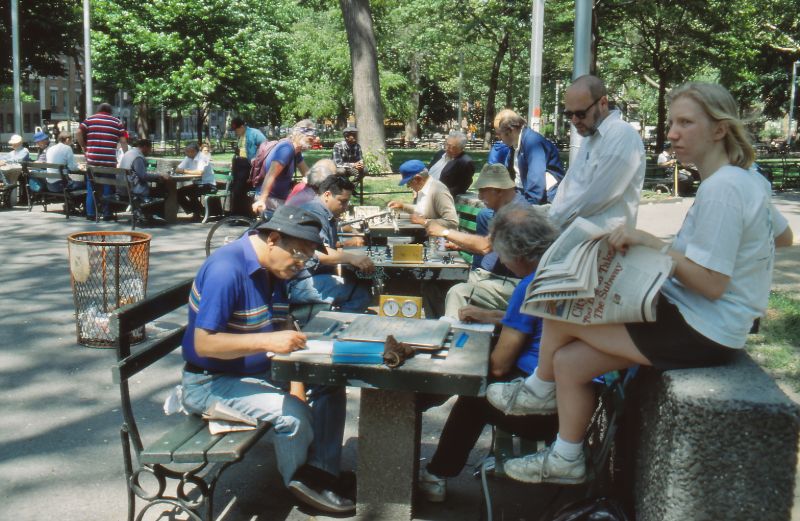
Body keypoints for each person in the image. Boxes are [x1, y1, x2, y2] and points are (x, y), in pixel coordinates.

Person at [485, 82, 794, 486]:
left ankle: (538, 390)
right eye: (672, 123)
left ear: (719, 130)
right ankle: (566, 456)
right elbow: (783, 237)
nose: (673, 134)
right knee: (569, 362)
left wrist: (654, 244)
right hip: (705, 321)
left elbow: (713, 284)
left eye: (686, 123)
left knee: (558, 299)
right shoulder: (743, 179)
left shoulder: (723, 189)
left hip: (701, 326)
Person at [178, 205, 354, 514]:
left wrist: (296, 384)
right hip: (208, 381)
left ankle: (322, 472)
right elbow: (203, 344)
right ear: (273, 238)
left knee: (330, 382)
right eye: (299, 255)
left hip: (255, 369)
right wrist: (268, 341)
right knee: (293, 418)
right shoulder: (227, 269)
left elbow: (284, 329)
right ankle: (302, 486)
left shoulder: (275, 269)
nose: (301, 266)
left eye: (307, 258)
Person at [419, 204, 559, 502]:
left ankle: (438, 472)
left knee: (472, 394)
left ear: (517, 255)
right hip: (568, 401)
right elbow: (531, 319)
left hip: (541, 409)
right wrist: (491, 316)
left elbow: (498, 366)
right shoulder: (556, 271)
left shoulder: (528, 285)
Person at [426, 163, 531, 318]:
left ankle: (456, 338)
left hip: (511, 283)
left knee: (458, 292)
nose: (480, 197)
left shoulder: (516, 214)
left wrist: (445, 231)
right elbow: (494, 246)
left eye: (482, 191)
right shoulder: (504, 209)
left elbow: (485, 246)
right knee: (432, 286)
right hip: (492, 277)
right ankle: (441, 334)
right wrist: (460, 245)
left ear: (498, 191)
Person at [548, 75, 646, 232]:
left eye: (580, 114)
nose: (574, 121)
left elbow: (596, 199)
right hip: (576, 236)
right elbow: (570, 188)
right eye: (568, 114)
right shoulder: (591, 136)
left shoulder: (620, 134)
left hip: (601, 246)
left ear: (603, 103)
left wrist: (551, 224)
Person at [289, 176, 374, 313]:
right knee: (361, 294)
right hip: (298, 282)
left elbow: (336, 229)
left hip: (306, 277)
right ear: (327, 195)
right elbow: (320, 253)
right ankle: (339, 329)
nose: (345, 207)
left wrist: (352, 231)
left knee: (355, 282)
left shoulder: (320, 210)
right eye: (342, 202)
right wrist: (353, 258)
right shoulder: (314, 212)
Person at [493, 109, 564, 205]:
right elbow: (508, 176)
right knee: (484, 215)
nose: (499, 139)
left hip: (545, 202)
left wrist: (526, 211)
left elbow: (536, 182)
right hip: (522, 197)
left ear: (511, 131)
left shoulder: (532, 143)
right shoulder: (514, 146)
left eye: (499, 135)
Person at [252, 120, 315, 214]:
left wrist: (321, 185)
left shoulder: (296, 151)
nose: (312, 142)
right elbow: (270, 175)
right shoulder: (286, 148)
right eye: (309, 139)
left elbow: (307, 174)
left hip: (281, 198)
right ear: (299, 135)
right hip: (271, 199)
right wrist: (262, 200)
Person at [78, 102, 125, 220]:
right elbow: (123, 141)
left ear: (98, 110)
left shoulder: (89, 120)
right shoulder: (117, 122)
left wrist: (84, 146)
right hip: (109, 161)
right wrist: (127, 153)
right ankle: (107, 214)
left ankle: (90, 214)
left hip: (93, 160)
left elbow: (78, 132)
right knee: (108, 187)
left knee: (91, 187)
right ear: (110, 111)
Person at [388, 160, 458, 229]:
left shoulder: (438, 191)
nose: (408, 187)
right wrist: (402, 206)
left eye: (409, 183)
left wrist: (424, 221)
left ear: (418, 179)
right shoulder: (424, 188)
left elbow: (452, 222)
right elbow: (422, 210)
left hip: (440, 238)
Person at [118, 139, 170, 223]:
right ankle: (149, 215)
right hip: (133, 190)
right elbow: (143, 176)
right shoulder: (138, 157)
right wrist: (160, 175)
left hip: (123, 188)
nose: (149, 152)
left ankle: (145, 214)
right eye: (149, 149)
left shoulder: (128, 153)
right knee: (163, 191)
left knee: (155, 189)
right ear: (145, 147)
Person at [229, 117, 266, 216]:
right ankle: (238, 214)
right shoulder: (240, 136)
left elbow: (265, 146)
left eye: (236, 129)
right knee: (236, 190)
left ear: (242, 126)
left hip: (248, 165)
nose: (235, 132)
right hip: (239, 164)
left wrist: (257, 160)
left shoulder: (254, 133)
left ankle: (240, 215)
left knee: (241, 190)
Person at [175, 142, 217, 221]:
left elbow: (200, 172)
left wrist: (184, 171)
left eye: (187, 151)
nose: (186, 153)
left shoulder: (202, 157)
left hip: (208, 184)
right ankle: (198, 211)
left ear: (193, 151)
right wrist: (185, 170)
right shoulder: (188, 157)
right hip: (198, 184)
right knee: (178, 192)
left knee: (192, 192)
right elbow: (177, 169)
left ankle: (198, 213)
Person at [426, 131, 475, 197]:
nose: (447, 148)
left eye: (452, 147)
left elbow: (461, 187)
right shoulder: (440, 154)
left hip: (439, 198)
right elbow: (428, 170)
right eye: (447, 144)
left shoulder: (465, 162)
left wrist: (439, 194)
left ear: (461, 148)